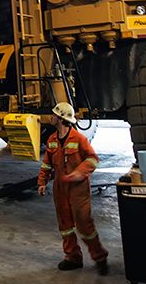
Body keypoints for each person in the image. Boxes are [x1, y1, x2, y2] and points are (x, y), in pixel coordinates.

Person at [37, 102, 108, 273]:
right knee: (65, 225)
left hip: (78, 189)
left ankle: (99, 257)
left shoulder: (79, 139)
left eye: (54, 115)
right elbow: (47, 164)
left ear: (61, 119)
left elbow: (93, 159)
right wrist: (42, 182)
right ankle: (73, 257)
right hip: (60, 188)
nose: (51, 117)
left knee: (84, 225)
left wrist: (79, 173)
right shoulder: (52, 140)